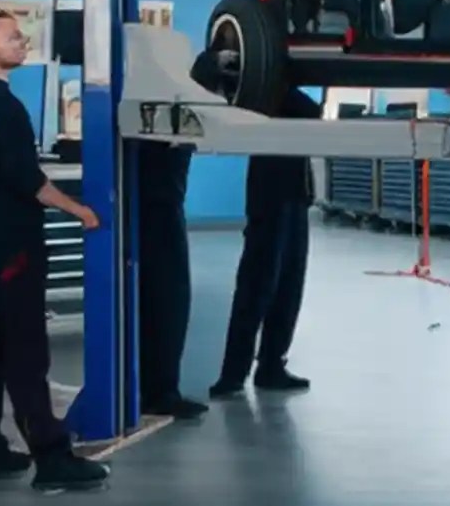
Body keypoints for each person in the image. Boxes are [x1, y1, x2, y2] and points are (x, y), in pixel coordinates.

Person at [0, 7, 110, 492]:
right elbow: (29, 180)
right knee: (26, 351)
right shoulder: (0, 103)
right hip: (15, 246)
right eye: (11, 37)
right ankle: (51, 459)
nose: (22, 42)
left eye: (22, 36)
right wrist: (80, 211)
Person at [192, 46, 322, 399]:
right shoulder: (260, 89)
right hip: (270, 195)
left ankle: (271, 365)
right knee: (257, 284)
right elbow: (311, 111)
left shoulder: (275, 89)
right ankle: (233, 373)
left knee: (289, 285)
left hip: (296, 194)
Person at [137, 141, 208, 419]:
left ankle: (157, 388)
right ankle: (161, 392)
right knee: (169, 298)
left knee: (162, 297)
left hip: (157, 200)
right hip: (160, 204)